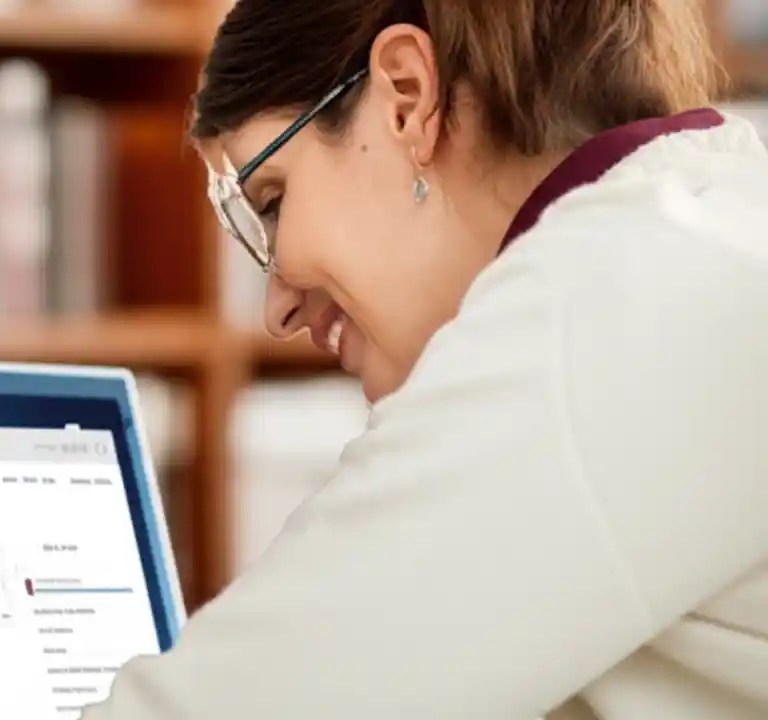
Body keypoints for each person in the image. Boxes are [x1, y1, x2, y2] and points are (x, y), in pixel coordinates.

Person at [81, 1, 768, 718]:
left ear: (405, 96)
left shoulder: (611, 296)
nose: (276, 307)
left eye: (274, 203)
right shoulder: (702, 225)